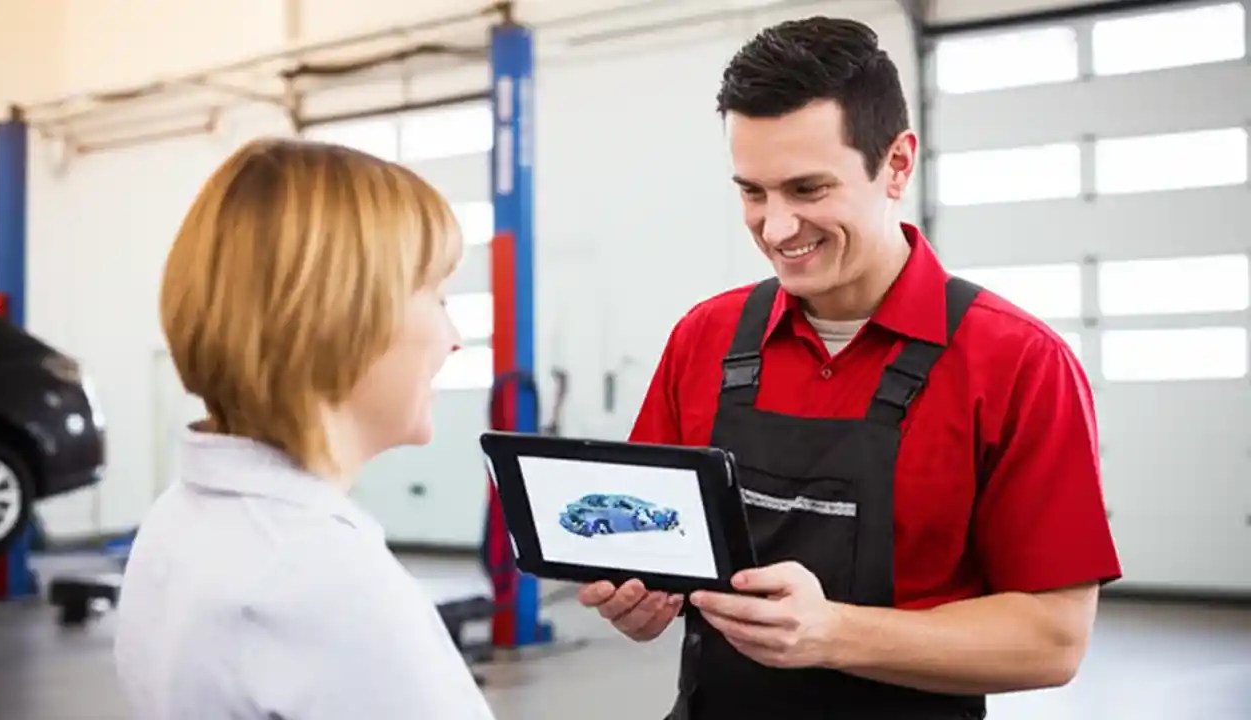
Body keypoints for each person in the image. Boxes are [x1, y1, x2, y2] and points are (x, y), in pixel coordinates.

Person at [577, 16, 1121, 720]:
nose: (775, 229)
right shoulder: (703, 339)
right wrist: (639, 595)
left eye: (808, 190)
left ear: (896, 163)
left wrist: (835, 633)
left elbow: (1053, 641)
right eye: (753, 192)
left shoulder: (1018, 364)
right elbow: (649, 544)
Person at [113, 139, 496, 720]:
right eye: (437, 297)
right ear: (345, 316)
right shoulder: (325, 583)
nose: (454, 336)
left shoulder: (179, 518)